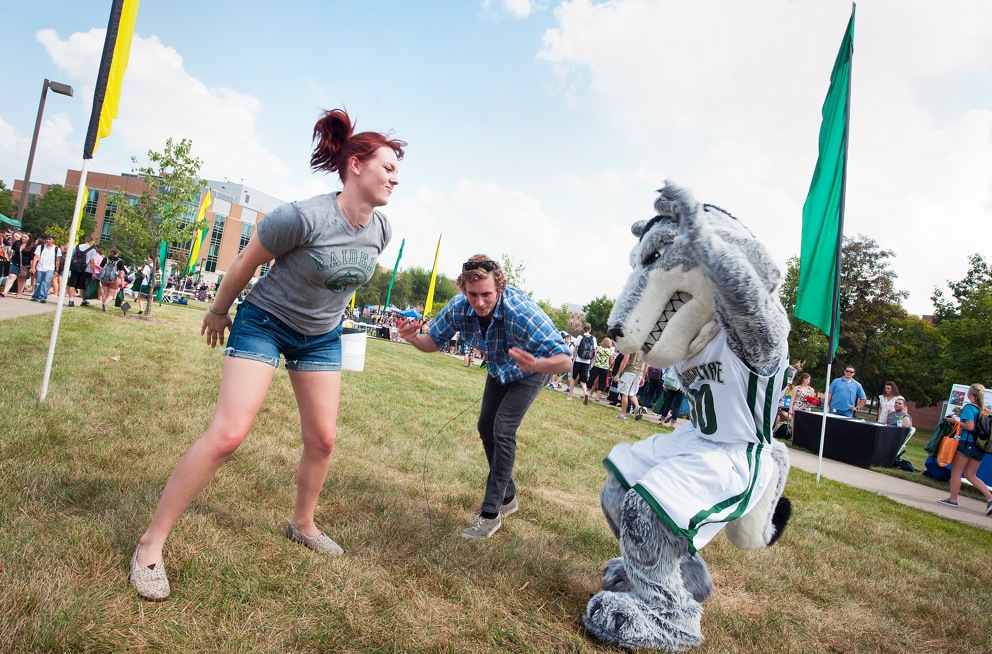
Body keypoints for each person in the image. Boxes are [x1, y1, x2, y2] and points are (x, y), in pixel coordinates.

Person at [129, 108, 406, 601]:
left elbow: (341, 284)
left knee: (323, 439)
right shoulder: (301, 217)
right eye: (388, 167)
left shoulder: (380, 230)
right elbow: (243, 261)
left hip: (320, 336)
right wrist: (218, 311)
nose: (395, 178)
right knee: (228, 435)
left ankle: (302, 524)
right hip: (265, 323)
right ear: (356, 165)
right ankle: (150, 545)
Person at [396, 255, 571, 539]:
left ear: (499, 287)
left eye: (486, 294)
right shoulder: (459, 306)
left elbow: (565, 361)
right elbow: (433, 342)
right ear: (464, 289)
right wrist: (414, 338)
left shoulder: (522, 312)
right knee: (485, 426)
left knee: (503, 427)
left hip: (532, 368)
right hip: (500, 367)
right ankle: (508, 495)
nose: (479, 302)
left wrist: (537, 364)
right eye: (472, 294)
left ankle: (490, 514)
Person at [937, 383, 992, 515]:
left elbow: (970, 426)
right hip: (980, 446)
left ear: (970, 393)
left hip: (967, 443)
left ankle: (953, 499)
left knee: (956, 472)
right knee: (970, 475)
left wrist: (954, 421)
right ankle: (990, 498)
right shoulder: (984, 409)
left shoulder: (969, 407)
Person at [567, 322, 596, 405]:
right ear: (590, 329)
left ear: (583, 329)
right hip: (587, 362)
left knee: (573, 378)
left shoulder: (580, 337)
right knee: (583, 381)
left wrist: (573, 356)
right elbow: (594, 351)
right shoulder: (593, 338)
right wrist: (592, 362)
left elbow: (575, 349)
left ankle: (570, 396)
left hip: (578, 360)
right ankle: (585, 393)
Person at [30, 234, 62, 304]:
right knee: (38, 282)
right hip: (40, 267)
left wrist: (56, 270)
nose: (48, 240)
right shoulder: (40, 247)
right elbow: (35, 257)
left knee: (46, 282)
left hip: (50, 268)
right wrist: (33, 267)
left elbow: (57, 260)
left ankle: (43, 297)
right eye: (47, 239)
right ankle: (35, 296)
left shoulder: (56, 249)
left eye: (50, 239)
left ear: (53, 240)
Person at [614, 349, 645, 420]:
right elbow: (646, 364)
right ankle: (638, 407)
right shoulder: (645, 349)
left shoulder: (630, 347)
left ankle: (623, 414)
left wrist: (618, 374)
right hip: (639, 373)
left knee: (625, 393)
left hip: (629, 371)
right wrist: (643, 377)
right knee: (632, 394)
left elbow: (625, 361)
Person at [66, 236, 96, 307]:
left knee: (72, 285)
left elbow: (71, 256)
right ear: (91, 241)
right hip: (86, 270)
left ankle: (71, 300)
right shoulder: (92, 250)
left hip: (75, 268)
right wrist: (93, 273)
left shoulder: (77, 247)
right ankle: (83, 301)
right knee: (83, 286)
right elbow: (92, 262)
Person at [2, 232, 33, 298]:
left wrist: (32, 267)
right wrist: (9, 257)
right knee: (11, 276)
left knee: (21, 278)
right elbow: (12, 251)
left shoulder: (32, 246)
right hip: (15, 262)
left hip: (25, 264)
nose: (23, 238)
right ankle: (5, 292)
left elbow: (31, 258)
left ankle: (19, 294)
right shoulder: (17, 243)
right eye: (23, 237)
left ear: (29, 238)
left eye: (25, 237)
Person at [98, 248, 126, 312]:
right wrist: (122, 282)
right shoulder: (119, 261)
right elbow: (121, 272)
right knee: (111, 295)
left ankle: (103, 306)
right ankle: (105, 303)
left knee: (105, 293)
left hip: (104, 278)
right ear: (117, 253)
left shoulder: (106, 259)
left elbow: (101, 267)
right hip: (114, 279)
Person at [588, 336, 614, 402]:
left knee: (591, 379)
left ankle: (585, 393)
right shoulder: (609, 351)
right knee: (601, 382)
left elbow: (594, 357)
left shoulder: (598, 348)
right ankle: (597, 397)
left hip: (596, 366)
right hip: (604, 368)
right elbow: (611, 361)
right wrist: (609, 366)